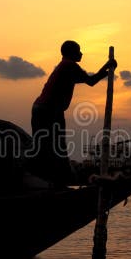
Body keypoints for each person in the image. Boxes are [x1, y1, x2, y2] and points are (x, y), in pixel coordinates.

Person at [31, 40, 117, 185]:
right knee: (56, 147)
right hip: (48, 110)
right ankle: (57, 181)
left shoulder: (65, 67)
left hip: (42, 109)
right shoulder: (69, 66)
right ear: (71, 53)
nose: (81, 53)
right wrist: (107, 66)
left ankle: (52, 180)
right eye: (78, 51)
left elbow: (90, 80)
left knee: (46, 146)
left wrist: (107, 70)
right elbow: (91, 81)